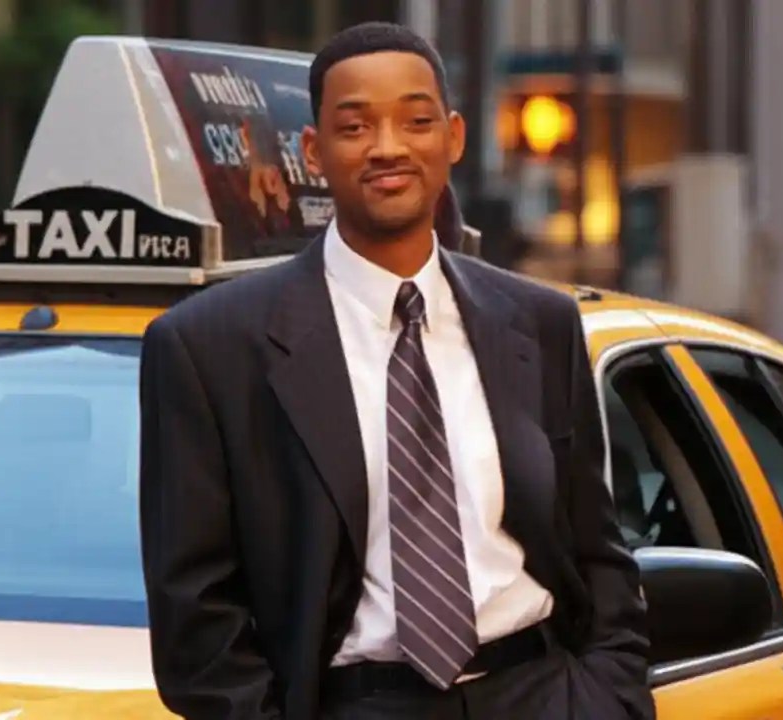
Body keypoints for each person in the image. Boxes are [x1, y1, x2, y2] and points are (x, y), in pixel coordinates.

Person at [137, 22, 654, 720]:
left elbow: (597, 547)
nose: (388, 147)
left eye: (416, 120)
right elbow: (195, 617)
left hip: (540, 690)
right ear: (314, 150)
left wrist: (607, 695)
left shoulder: (539, 323)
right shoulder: (208, 348)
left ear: (453, 136)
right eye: (355, 127)